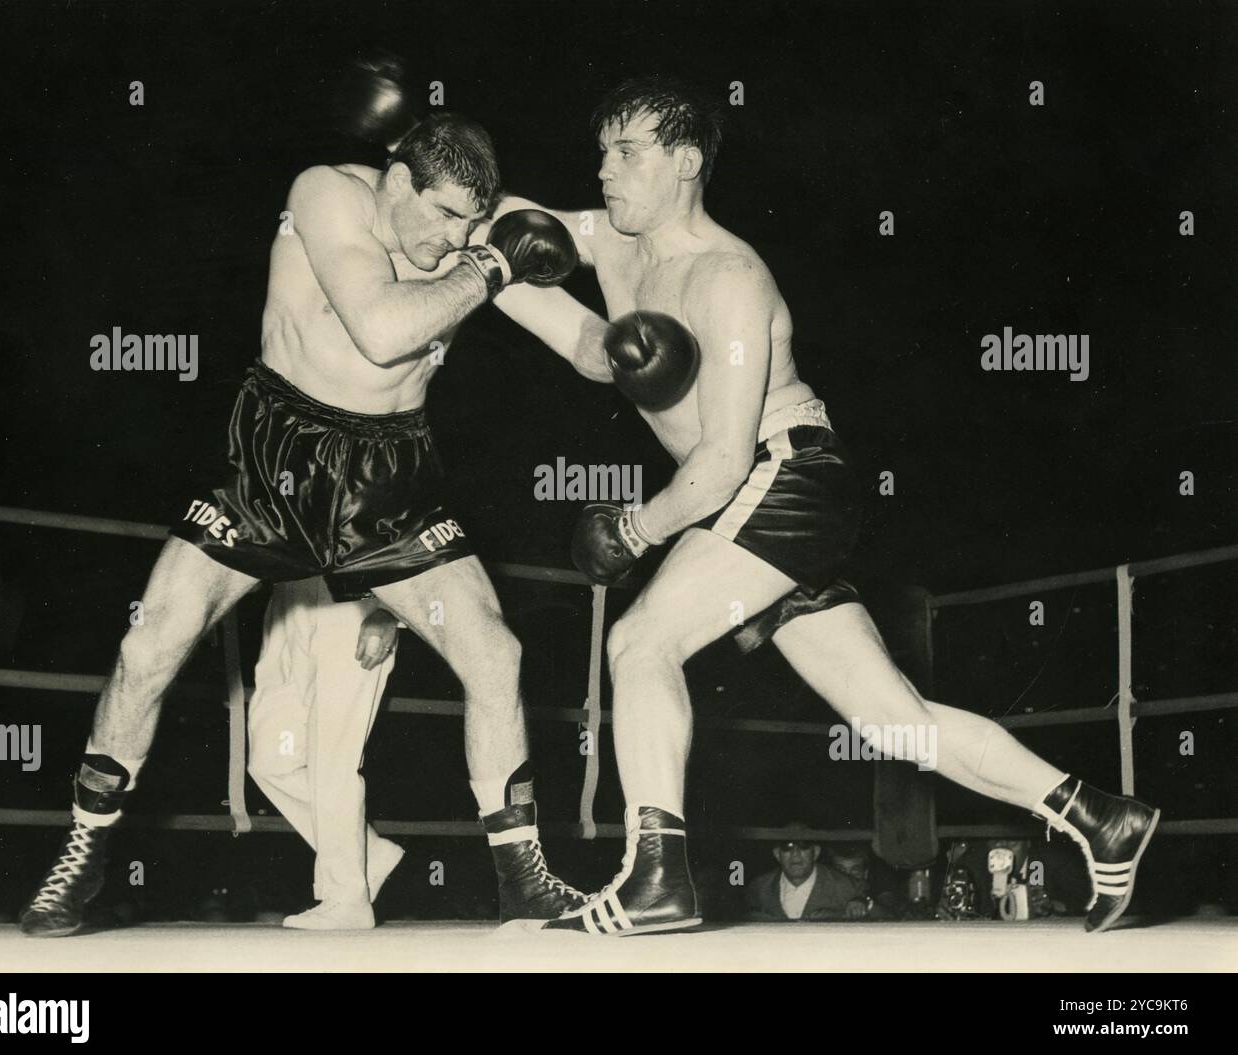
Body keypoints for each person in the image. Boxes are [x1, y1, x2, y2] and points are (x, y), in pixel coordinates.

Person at [491, 76, 1159, 936]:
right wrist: (431, 196)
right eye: (602, 152)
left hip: (780, 479)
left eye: (629, 152)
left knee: (640, 639)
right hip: (754, 504)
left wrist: (632, 527)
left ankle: (657, 878)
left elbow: (724, 461)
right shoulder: (613, 243)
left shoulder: (729, 279)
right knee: (895, 723)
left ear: (687, 162)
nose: (606, 170)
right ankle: (1100, 816)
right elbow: (510, 214)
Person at [20, 112, 586, 936]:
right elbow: (384, 328)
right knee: (150, 644)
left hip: (390, 479)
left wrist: (637, 347)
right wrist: (495, 262)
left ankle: (524, 879)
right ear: (398, 182)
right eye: (443, 216)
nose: (458, 237)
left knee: (494, 651)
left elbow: (582, 331)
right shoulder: (325, 195)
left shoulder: (479, 227)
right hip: (278, 461)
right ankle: (83, 852)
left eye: (475, 221)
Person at [247, 577, 405, 930]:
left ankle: (347, 898)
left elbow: (412, 533)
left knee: (333, 759)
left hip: (352, 605)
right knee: (270, 759)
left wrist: (390, 612)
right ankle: (369, 853)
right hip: (287, 604)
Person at [746, 828, 865, 922]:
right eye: (787, 847)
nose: (795, 854)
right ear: (777, 854)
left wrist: (862, 902)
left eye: (804, 846)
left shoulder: (846, 886)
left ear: (816, 852)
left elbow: (878, 911)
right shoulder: (759, 888)